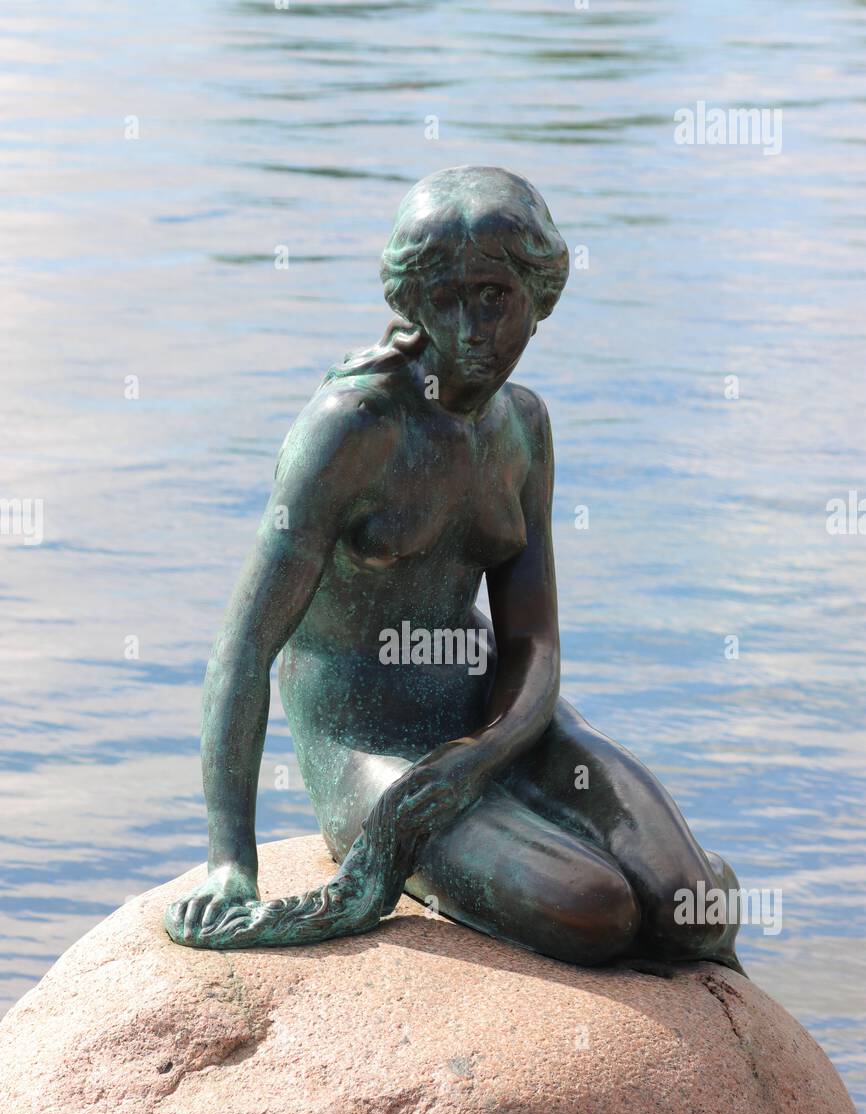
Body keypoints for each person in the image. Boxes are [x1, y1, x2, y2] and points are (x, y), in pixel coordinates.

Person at [166, 166, 743, 974]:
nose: (471, 328)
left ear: (539, 298)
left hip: (492, 714)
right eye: (447, 297)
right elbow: (243, 648)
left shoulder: (525, 428)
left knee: (696, 911)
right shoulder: (353, 429)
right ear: (412, 301)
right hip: (365, 738)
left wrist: (486, 752)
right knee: (596, 911)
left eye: (495, 297)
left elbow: (532, 643)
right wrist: (232, 861)